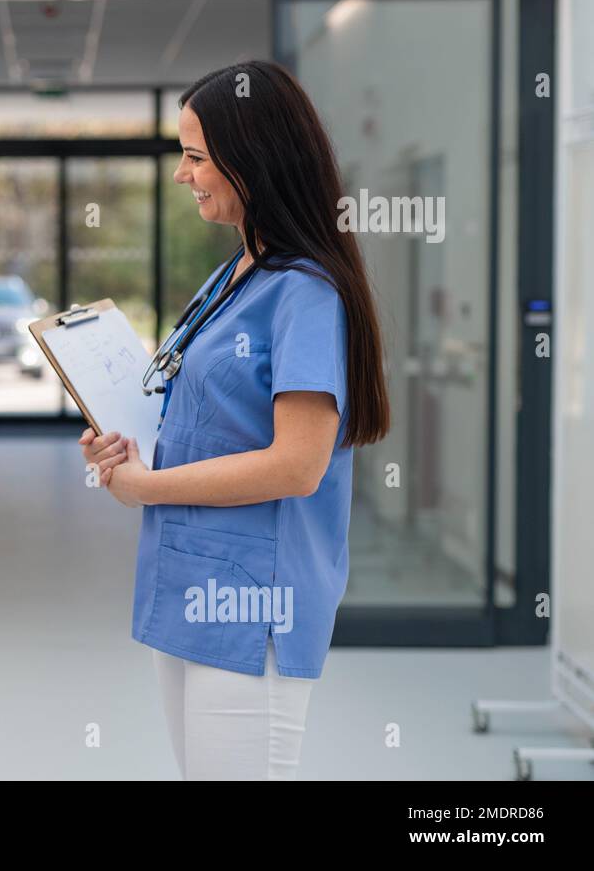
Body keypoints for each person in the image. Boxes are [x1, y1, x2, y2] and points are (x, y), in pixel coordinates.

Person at [79, 60, 390, 780]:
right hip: (191, 586)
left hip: (253, 604)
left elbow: (297, 464)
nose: (183, 175)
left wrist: (144, 488)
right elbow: (206, 417)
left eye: (195, 157)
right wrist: (125, 444)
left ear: (255, 160)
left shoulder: (305, 294)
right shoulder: (234, 276)